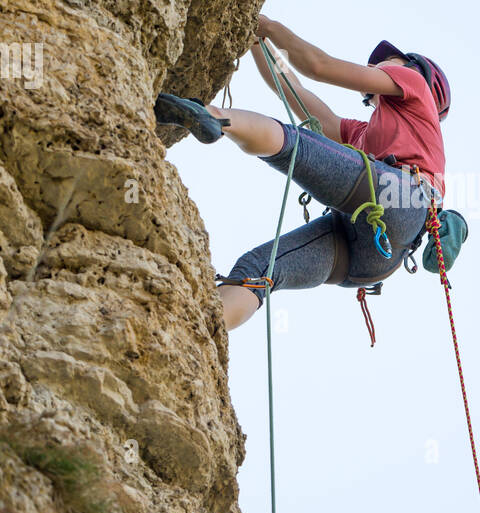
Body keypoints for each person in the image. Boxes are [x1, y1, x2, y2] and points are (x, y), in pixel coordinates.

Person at [154, 16, 450, 330]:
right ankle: (200, 331)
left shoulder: (412, 82)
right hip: (373, 261)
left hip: (398, 197)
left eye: (388, 63)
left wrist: (266, 25)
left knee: (295, 142)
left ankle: (213, 117)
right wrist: (257, 42)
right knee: (258, 269)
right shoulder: (359, 133)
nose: (377, 67)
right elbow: (292, 89)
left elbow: (318, 65)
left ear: (418, 72)